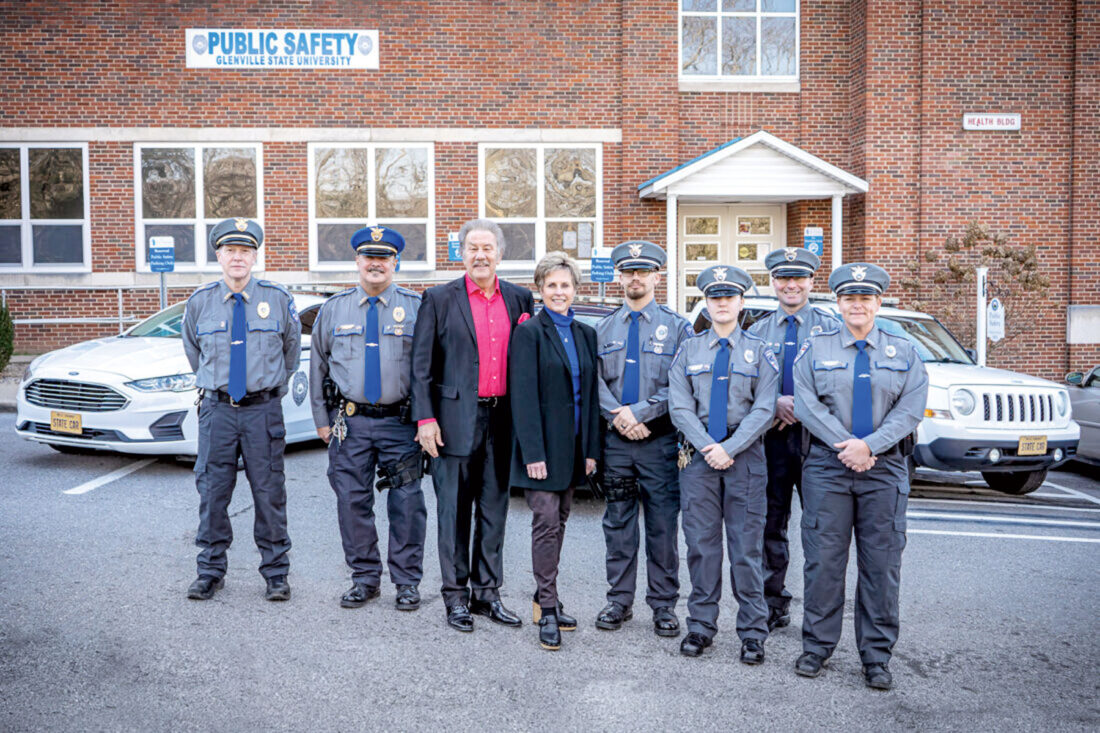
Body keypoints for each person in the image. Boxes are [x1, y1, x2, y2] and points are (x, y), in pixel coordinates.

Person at [792, 263, 928, 690]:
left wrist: (870, 446)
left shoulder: (904, 350)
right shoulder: (816, 348)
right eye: (849, 298)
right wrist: (848, 446)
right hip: (828, 468)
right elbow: (806, 403)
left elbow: (910, 408)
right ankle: (816, 647)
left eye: (865, 298)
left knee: (881, 566)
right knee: (823, 563)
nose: (857, 305)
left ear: (878, 302)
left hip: (884, 468)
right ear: (837, 303)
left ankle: (876, 657)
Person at [411, 219, 534, 632]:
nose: (480, 255)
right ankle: (454, 597)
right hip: (452, 422)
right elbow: (422, 367)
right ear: (461, 253)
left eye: (487, 248)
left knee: (495, 511)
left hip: (503, 420)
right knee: (454, 512)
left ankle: (487, 594)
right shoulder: (440, 299)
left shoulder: (520, 299)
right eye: (472, 248)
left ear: (500, 253)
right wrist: (425, 418)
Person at [181, 217, 301, 602]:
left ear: (254, 256)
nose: (238, 257)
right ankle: (210, 570)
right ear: (219, 255)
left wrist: (263, 391)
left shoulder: (277, 300)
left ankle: (276, 574)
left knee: (269, 493)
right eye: (230, 250)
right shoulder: (200, 302)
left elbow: (290, 353)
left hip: (261, 411)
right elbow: (193, 353)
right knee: (213, 492)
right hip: (216, 410)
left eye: (245, 251)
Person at [309, 226, 427, 611]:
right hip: (350, 424)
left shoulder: (417, 307)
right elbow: (318, 369)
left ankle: (407, 582)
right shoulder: (334, 309)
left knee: (407, 504)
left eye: (384, 257)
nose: (376, 264)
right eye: (368, 257)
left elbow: (430, 369)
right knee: (351, 501)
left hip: (401, 423)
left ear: (396, 262)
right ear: (357, 261)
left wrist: (428, 420)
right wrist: (322, 419)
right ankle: (364, 578)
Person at [668, 264, 778, 664]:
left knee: (746, 549)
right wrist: (709, 446)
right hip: (698, 456)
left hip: (745, 455)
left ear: (742, 302)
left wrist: (730, 446)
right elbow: (679, 407)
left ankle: (752, 632)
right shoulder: (689, 350)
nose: (722, 303)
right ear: (706, 303)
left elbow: (765, 408)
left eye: (729, 297)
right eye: (715, 298)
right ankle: (700, 626)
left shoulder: (760, 351)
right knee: (701, 546)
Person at [594, 240, 691, 638]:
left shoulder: (679, 327)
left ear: (657, 277)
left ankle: (664, 605)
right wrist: (620, 417)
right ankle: (619, 600)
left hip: (660, 441)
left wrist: (641, 412)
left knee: (663, 527)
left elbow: (683, 383)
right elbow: (594, 381)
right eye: (629, 271)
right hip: (616, 442)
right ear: (619, 276)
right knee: (618, 523)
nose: (636, 278)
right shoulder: (602, 328)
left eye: (644, 271)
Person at [508, 253, 601, 651]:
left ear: (574, 290)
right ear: (540, 290)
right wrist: (533, 453)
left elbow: (592, 397)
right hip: (540, 449)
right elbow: (523, 398)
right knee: (546, 520)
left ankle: (542, 596)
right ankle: (548, 608)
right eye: (551, 285)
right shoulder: (529, 333)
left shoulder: (585, 334)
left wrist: (592, 450)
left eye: (565, 285)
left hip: (575, 446)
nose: (558, 292)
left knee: (561, 518)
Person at [748, 247, 839, 631]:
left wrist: (800, 403)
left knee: (820, 527)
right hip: (772, 437)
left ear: (811, 282)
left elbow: (839, 384)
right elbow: (745, 386)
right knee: (771, 523)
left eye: (799, 278)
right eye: (783, 278)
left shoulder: (831, 328)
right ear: (773, 282)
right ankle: (773, 602)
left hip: (818, 439)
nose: (791, 285)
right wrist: (774, 403)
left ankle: (820, 613)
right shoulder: (756, 330)